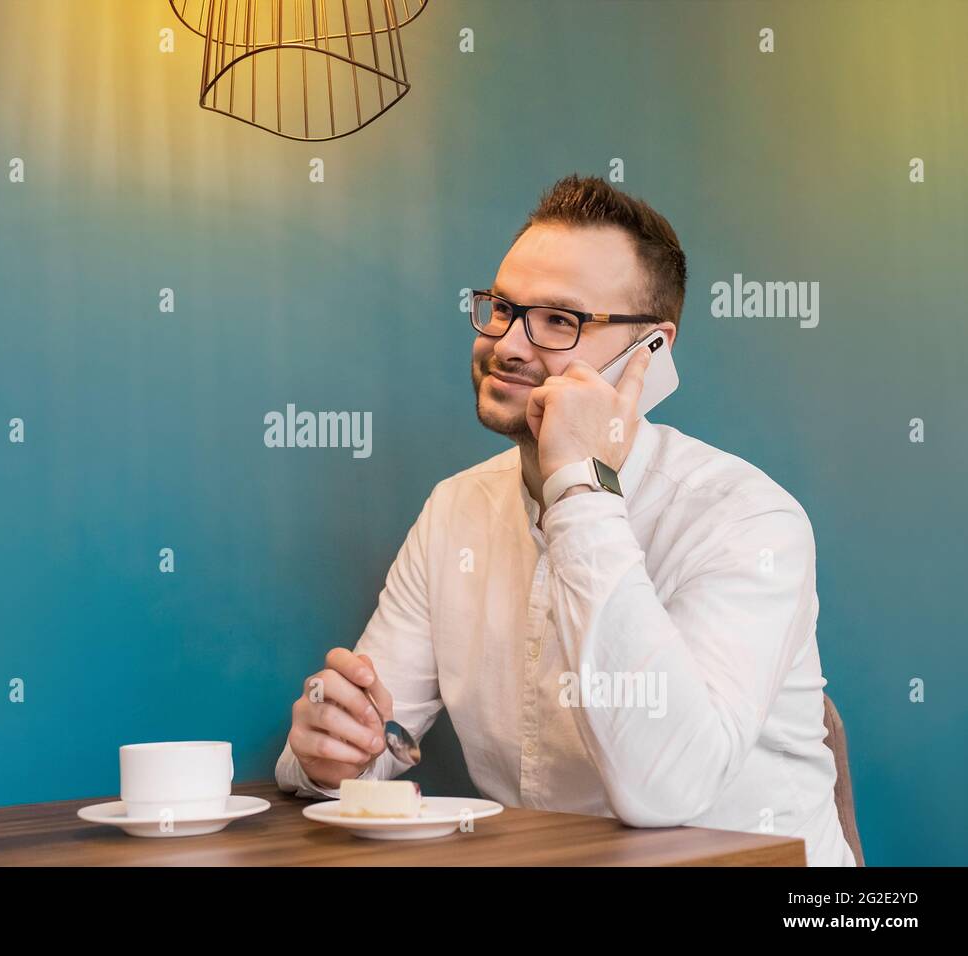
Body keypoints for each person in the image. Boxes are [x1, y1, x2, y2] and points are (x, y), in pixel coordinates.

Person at [275, 173, 856, 866]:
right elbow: (371, 741)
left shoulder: (748, 519)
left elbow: (666, 791)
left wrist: (581, 486)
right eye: (501, 307)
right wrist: (328, 756)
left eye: (560, 321)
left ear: (651, 354)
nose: (509, 344)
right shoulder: (456, 511)